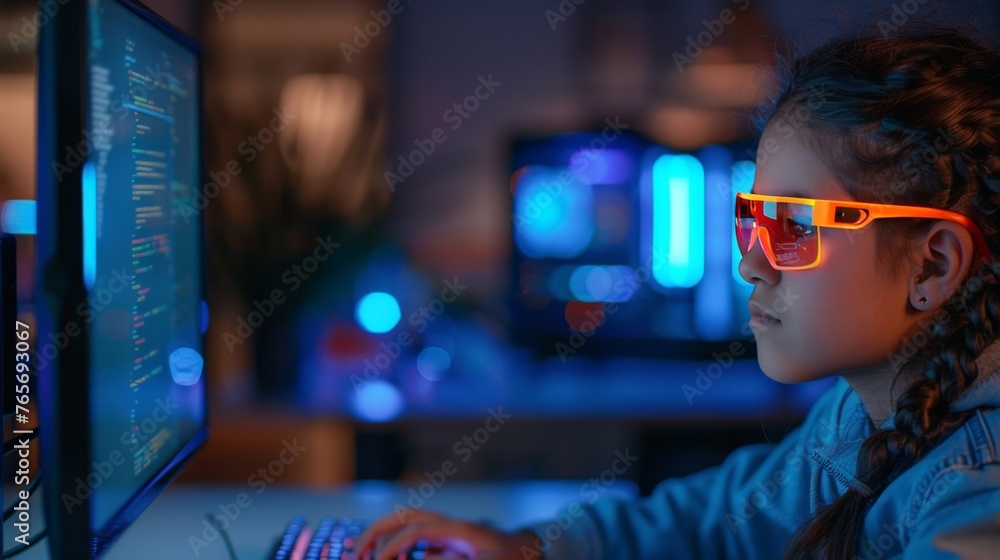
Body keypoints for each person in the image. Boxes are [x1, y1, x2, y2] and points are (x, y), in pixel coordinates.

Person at [355, 24, 1000, 560]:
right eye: (753, 218)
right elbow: (718, 520)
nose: (750, 264)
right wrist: (530, 549)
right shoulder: (861, 411)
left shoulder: (977, 493)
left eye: (794, 227)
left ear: (932, 266)